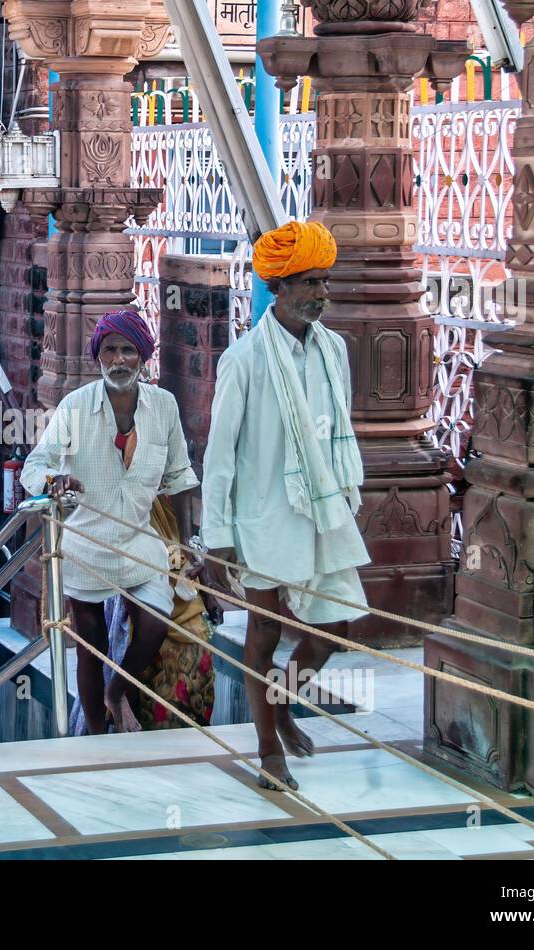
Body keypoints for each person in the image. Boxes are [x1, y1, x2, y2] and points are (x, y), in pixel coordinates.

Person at [201, 220, 370, 791]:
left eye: (326, 282)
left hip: (322, 509)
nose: (323, 293)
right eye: (311, 283)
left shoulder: (334, 351)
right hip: (262, 516)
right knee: (265, 632)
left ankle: (280, 706)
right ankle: (267, 748)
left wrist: (345, 492)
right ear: (282, 286)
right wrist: (216, 537)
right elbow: (219, 454)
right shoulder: (244, 359)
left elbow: (338, 429)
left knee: (333, 627)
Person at [21, 309, 199, 735]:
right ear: (97, 358)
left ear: (143, 357)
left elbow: (180, 477)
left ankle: (116, 691)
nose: (118, 360)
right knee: (89, 645)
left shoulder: (164, 406)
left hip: (139, 540)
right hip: (85, 542)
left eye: (127, 350)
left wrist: (189, 544)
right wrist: (54, 480)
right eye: (109, 351)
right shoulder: (75, 407)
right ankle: (96, 738)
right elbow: (34, 466)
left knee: (156, 622)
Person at [66, 496, 215, 735]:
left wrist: (204, 573)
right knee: (99, 643)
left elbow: (182, 481)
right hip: (111, 540)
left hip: (168, 555)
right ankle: (104, 726)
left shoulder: (169, 494)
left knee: (191, 651)